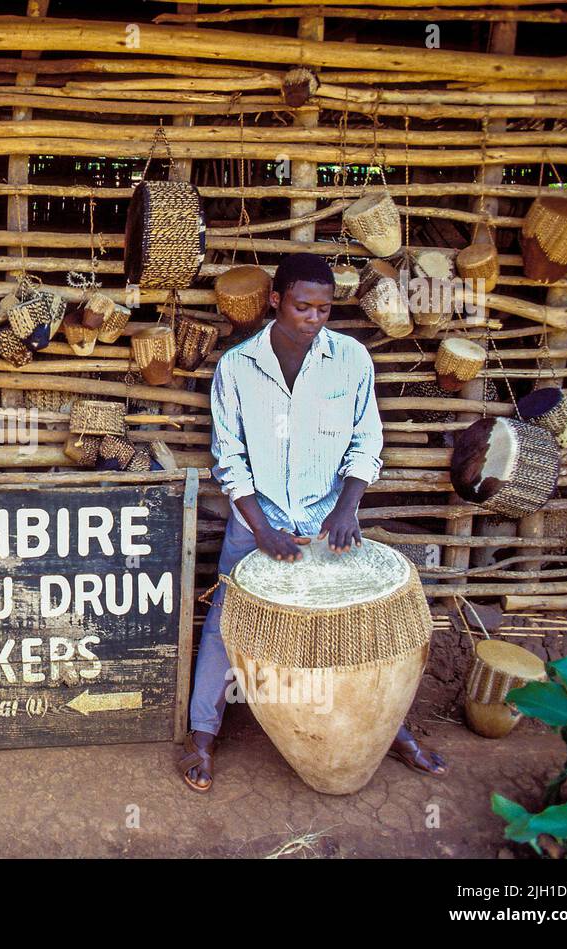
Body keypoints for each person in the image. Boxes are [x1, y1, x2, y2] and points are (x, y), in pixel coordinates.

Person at [179, 252, 446, 792]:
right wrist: (260, 530)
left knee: (356, 635)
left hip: (330, 525)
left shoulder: (351, 360)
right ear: (276, 300)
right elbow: (227, 457)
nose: (315, 318)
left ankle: (385, 730)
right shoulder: (237, 366)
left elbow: (366, 440)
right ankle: (202, 736)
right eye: (303, 306)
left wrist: (346, 510)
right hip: (258, 523)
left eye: (325, 309)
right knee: (227, 625)